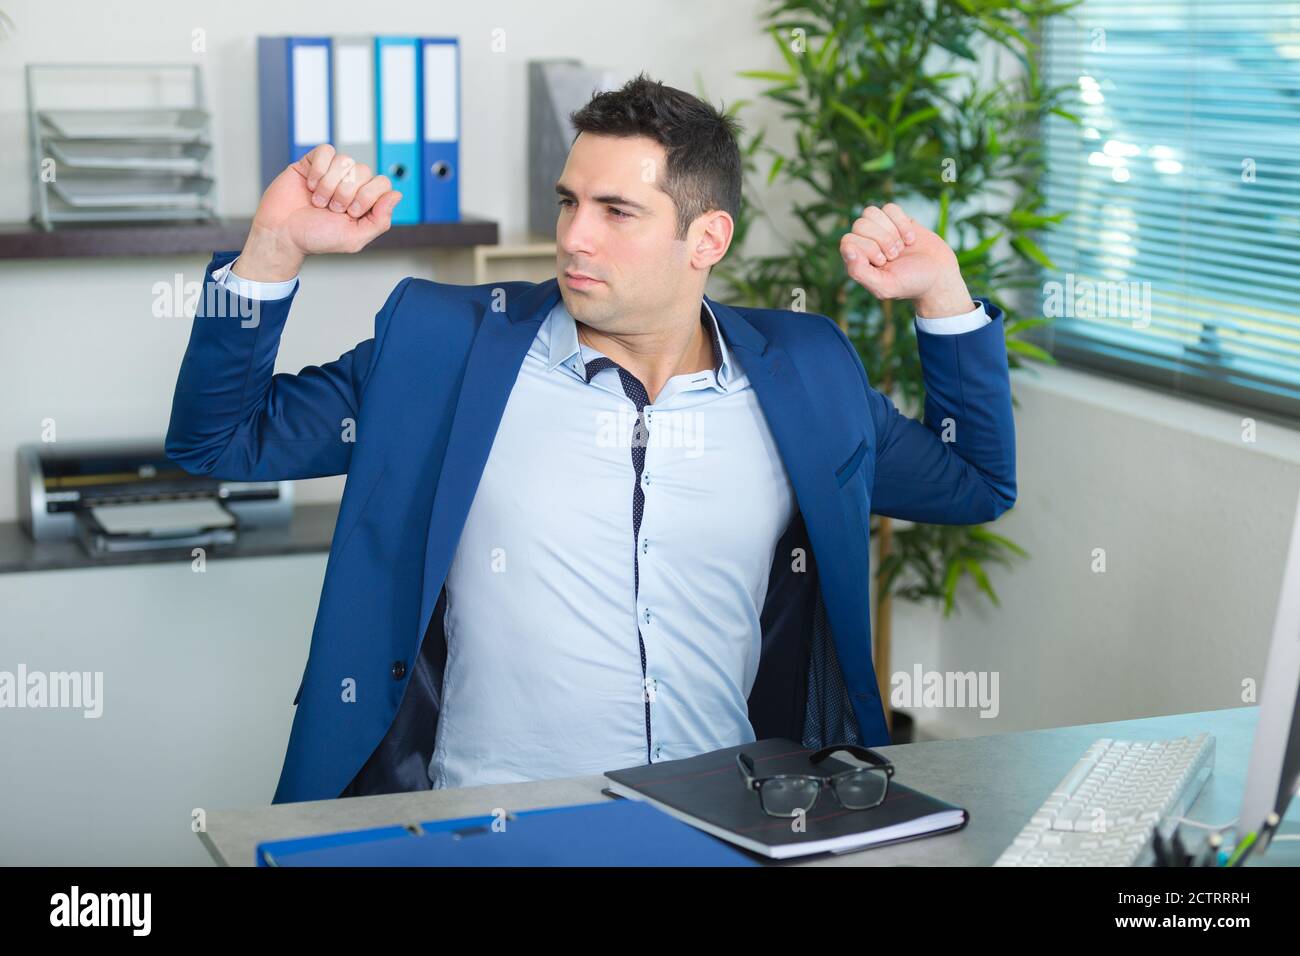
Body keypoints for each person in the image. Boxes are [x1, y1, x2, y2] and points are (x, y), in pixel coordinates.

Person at [166, 74, 1016, 804]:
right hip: (489, 828)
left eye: (617, 211)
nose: (575, 235)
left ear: (707, 238)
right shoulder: (444, 347)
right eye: (571, 202)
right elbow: (220, 444)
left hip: (723, 820)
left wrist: (943, 298)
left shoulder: (809, 373)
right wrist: (272, 249)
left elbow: (974, 482)